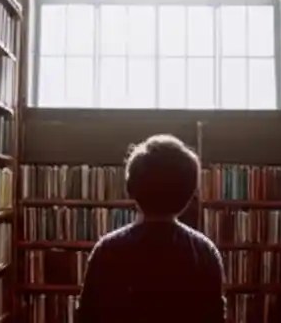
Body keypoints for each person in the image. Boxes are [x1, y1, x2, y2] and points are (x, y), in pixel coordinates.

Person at [75, 134, 225, 323]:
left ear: (131, 188)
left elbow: (87, 316)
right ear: (189, 195)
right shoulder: (204, 252)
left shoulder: (107, 250)